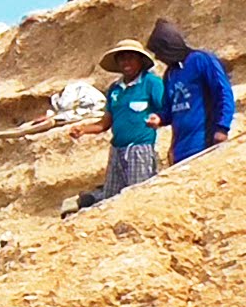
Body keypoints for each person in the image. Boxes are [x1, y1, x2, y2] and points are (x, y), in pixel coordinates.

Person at [68, 39, 165, 206]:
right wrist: (83, 129)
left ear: (140, 61)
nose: (125, 62)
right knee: (112, 198)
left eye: (130, 58)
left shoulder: (151, 83)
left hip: (140, 149)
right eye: (122, 58)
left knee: (136, 196)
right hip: (117, 150)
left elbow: (165, 109)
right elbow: (105, 123)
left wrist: (159, 119)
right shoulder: (115, 89)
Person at [145, 19, 234, 164]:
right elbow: (170, 110)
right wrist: (159, 118)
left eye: (159, 51)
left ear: (169, 46)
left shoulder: (202, 60)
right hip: (181, 150)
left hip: (205, 143)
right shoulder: (170, 74)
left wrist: (222, 128)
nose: (158, 57)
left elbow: (223, 93)